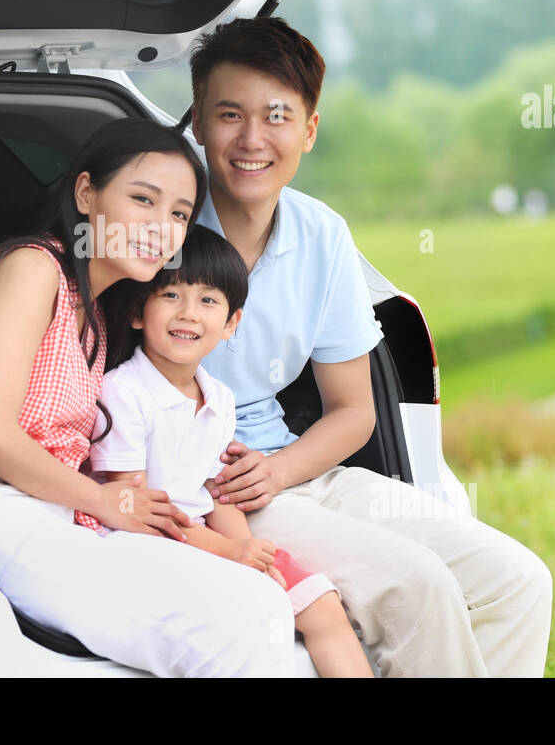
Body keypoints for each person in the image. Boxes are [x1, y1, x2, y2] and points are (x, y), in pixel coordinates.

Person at [182, 16, 554, 677]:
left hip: (304, 477)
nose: (251, 140)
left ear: (310, 130)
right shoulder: (163, 230)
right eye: (229, 114)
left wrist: (283, 469)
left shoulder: (322, 234)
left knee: (519, 581)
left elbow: (354, 410)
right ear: (198, 122)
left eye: (276, 116)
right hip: (219, 498)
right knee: (421, 588)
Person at [0, 117, 295, 677]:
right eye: (143, 199)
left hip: (69, 514)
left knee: (263, 604)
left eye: (178, 214)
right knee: (234, 623)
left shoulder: (97, 313)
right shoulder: (32, 269)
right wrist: (108, 503)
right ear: (85, 193)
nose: (161, 227)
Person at [91, 224, 373, 677]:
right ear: (138, 311)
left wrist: (248, 551)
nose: (188, 314)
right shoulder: (123, 393)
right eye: (170, 295)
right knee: (257, 615)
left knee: (322, 605)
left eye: (208, 301)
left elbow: (217, 492)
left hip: (209, 540)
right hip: (150, 546)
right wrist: (228, 554)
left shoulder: (218, 398)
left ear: (230, 324)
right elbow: (136, 513)